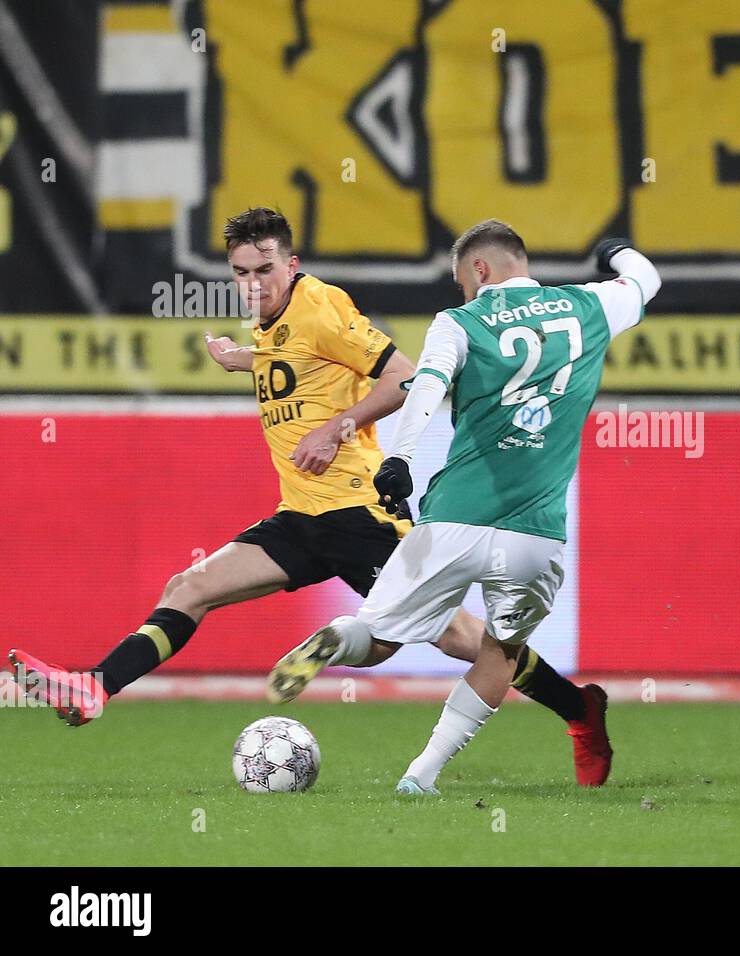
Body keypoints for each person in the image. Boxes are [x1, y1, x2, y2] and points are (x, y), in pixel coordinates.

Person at [6, 207, 612, 786]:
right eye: (241, 273)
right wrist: (248, 359)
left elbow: (405, 377)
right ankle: (94, 687)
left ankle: (577, 707)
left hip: (357, 513)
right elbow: (302, 364)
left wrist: (336, 428)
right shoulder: (273, 325)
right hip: (299, 518)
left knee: (466, 640)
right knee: (188, 589)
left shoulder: (321, 306)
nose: (253, 284)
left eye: (264, 269)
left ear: (290, 263)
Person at [267, 219, 660, 795]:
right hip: (535, 532)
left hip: (453, 517)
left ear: (479, 270)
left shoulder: (460, 321)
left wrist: (399, 459)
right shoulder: (589, 306)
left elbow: (426, 383)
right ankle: (421, 775)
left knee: (379, 638)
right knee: (502, 651)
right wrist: (614, 251)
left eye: (461, 282)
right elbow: (645, 278)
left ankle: (341, 637)